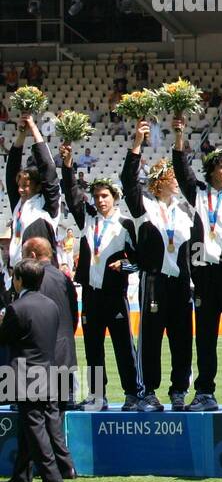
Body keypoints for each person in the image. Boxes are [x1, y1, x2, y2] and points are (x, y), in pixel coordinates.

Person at [173, 117, 222, 411]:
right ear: (211, 170)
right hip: (204, 276)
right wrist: (180, 135)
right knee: (205, 338)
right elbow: (181, 172)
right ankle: (205, 392)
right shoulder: (198, 194)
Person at [60, 145, 142, 411]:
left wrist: (125, 265)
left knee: (123, 348)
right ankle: (97, 396)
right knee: (93, 349)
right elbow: (72, 196)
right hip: (92, 295)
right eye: (96, 196)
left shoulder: (126, 224)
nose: (100, 200)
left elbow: (139, 261)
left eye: (104, 196)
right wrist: (68, 165)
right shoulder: (88, 220)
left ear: (114, 197)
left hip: (115, 295)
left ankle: (132, 393)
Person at [121, 117, 195, 412]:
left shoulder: (185, 213)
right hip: (153, 280)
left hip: (180, 283)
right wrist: (137, 143)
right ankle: (148, 391)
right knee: (150, 339)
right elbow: (128, 182)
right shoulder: (145, 210)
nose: (177, 181)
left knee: (181, 339)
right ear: (160, 182)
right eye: (172, 178)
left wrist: (180, 136)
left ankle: (179, 391)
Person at [2, 259, 74, 482]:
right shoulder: (50, 305)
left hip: (26, 373)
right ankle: (22, 475)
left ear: (19, 280)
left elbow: (4, 339)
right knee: (28, 425)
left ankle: (52, 476)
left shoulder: (16, 308)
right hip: (48, 369)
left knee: (33, 426)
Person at [21, 237, 79, 411]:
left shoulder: (33, 279)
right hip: (66, 354)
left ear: (32, 255)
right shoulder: (64, 278)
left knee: (40, 416)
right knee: (64, 414)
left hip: (42, 360)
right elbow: (73, 313)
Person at [6, 114, 61, 278]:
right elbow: (11, 169)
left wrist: (33, 128)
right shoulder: (19, 205)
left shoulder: (46, 204)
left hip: (41, 276)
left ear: (37, 186)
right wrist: (22, 133)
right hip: (18, 274)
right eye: (20, 186)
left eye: (26, 186)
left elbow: (48, 168)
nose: (21, 190)